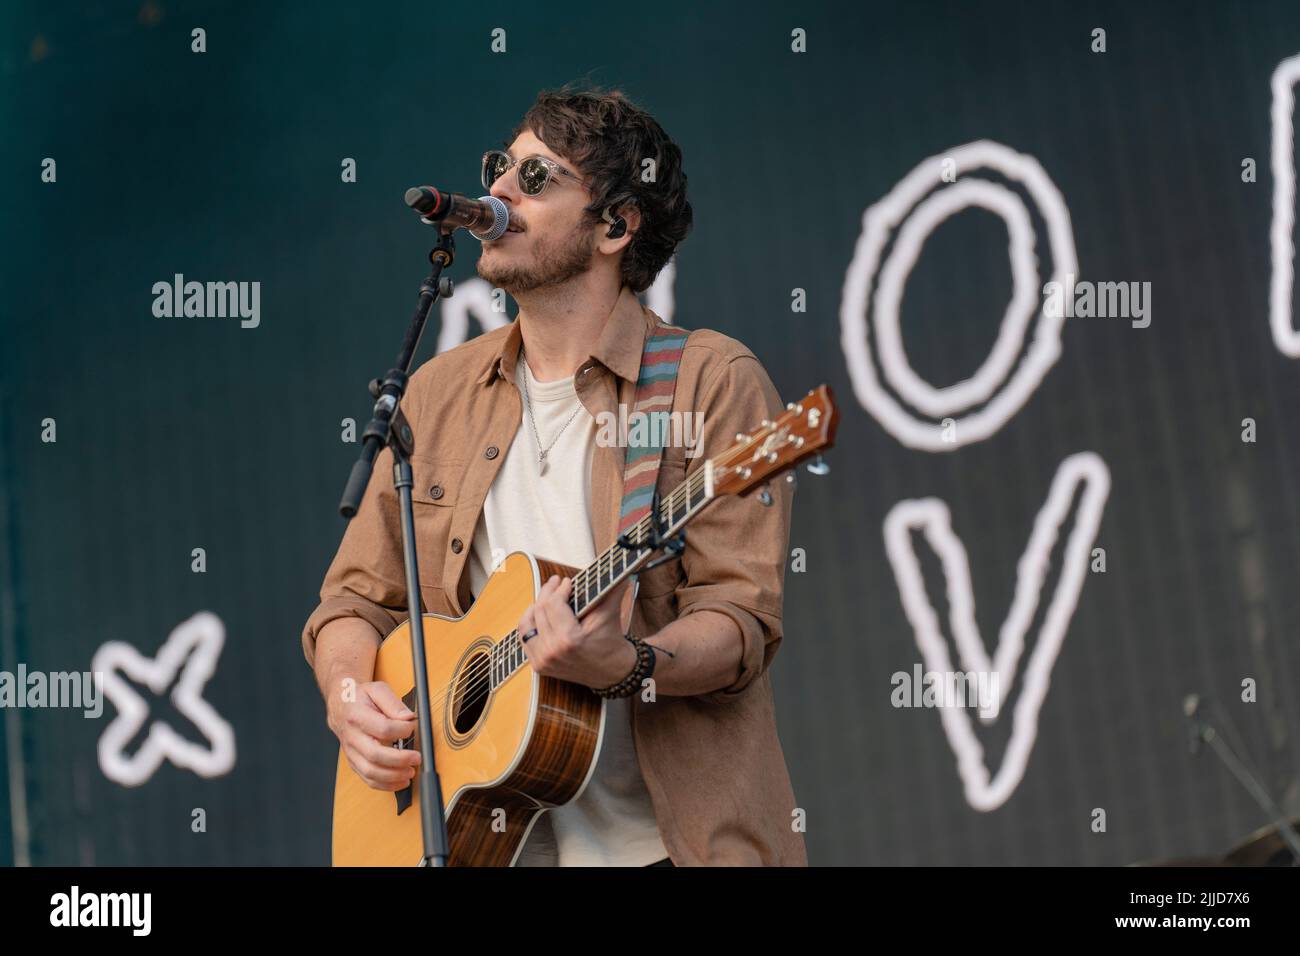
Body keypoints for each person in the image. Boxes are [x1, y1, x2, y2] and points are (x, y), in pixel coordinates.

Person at [302, 85, 806, 866]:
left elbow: (739, 624)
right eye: (500, 166)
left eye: (535, 179)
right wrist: (347, 698)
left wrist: (628, 663)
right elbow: (351, 602)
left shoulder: (710, 380)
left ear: (614, 225)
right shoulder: (435, 394)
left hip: (671, 849)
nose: (496, 191)